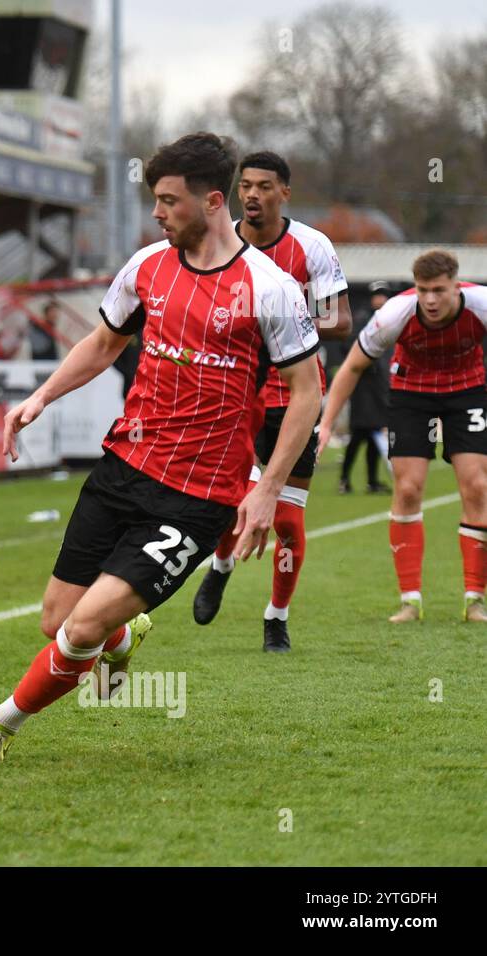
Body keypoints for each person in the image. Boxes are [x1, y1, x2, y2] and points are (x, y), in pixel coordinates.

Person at [0, 133, 320, 764]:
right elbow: (102, 343)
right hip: (124, 466)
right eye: (154, 199)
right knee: (57, 620)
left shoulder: (270, 287)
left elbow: (306, 393)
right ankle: (124, 643)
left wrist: (264, 492)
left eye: (168, 200)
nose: (156, 212)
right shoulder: (147, 267)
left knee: (80, 629)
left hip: (198, 496)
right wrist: (40, 397)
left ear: (210, 201)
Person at [189, 151, 352, 652]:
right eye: (246, 186)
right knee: (227, 502)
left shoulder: (312, 246)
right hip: (234, 392)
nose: (253, 195)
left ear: (285, 192)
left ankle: (276, 617)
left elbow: (340, 320)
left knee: (285, 517)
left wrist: (285, 321)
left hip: (295, 396)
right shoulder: (220, 243)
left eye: (264, 186)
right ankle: (220, 566)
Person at [319, 251, 487, 624]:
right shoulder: (394, 314)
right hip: (412, 393)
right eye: (423, 290)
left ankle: (474, 600)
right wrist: (327, 423)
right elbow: (352, 367)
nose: (430, 300)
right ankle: (410, 601)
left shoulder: (481, 305)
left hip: (468, 390)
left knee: (476, 486)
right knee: (408, 488)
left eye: (439, 291)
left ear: (457, 287)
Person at [339, 280, 393, 494]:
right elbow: (348, 347)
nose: (380, 299)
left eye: (383, 295)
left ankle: (372, 480)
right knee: (359, 435)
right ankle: (344, 478)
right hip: (363, 388)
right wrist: (367, 363)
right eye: (377, 295)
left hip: (380, 388)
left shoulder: (391, 320)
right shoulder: (362, 320)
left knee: (374, 436)